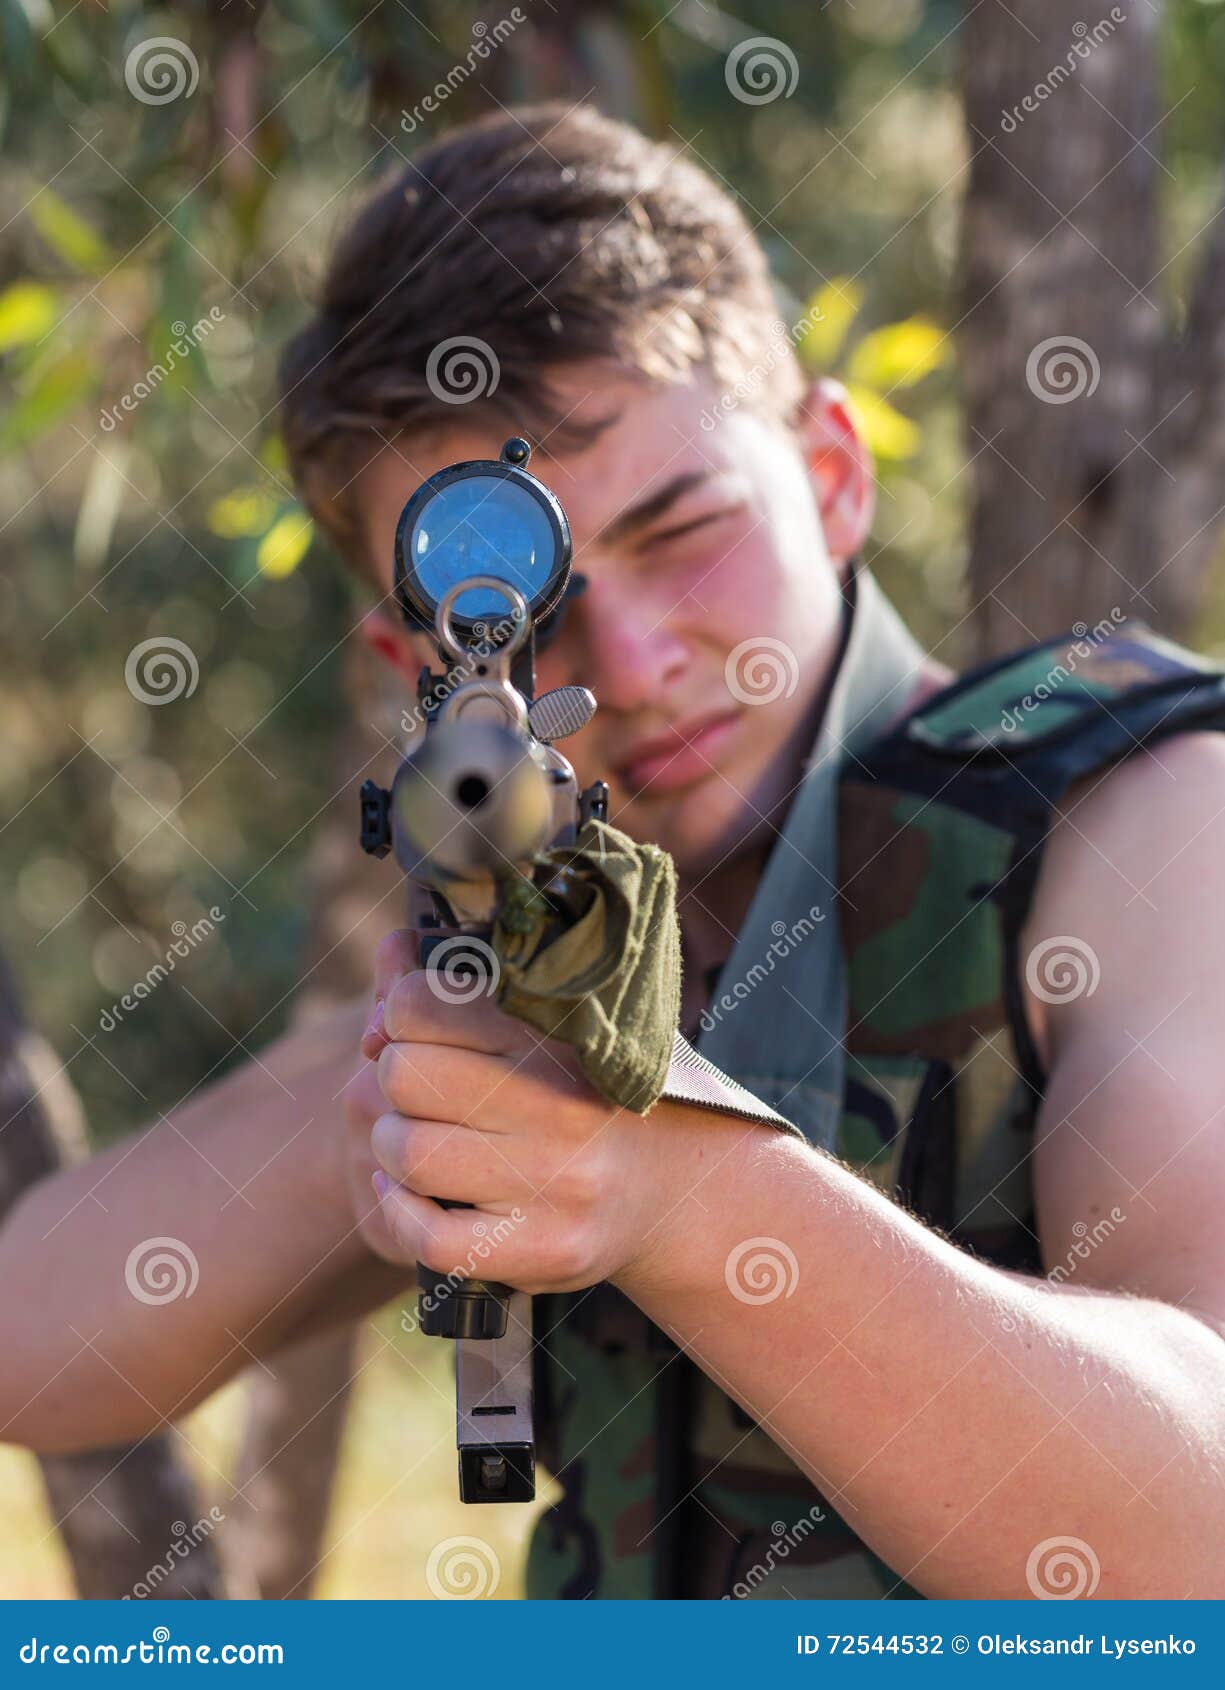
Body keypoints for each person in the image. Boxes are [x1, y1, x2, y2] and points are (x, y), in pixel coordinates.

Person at [4, 102, 1225, 1600]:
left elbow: (1192, 1549)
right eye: (532, 617)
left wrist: (688, 1192)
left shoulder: (1139, 815)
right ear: (416, 661)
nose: (636, 659)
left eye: (682, 527)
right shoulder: (520, 942)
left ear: (832, 471)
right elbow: (32, 1344)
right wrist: (426, 1080)